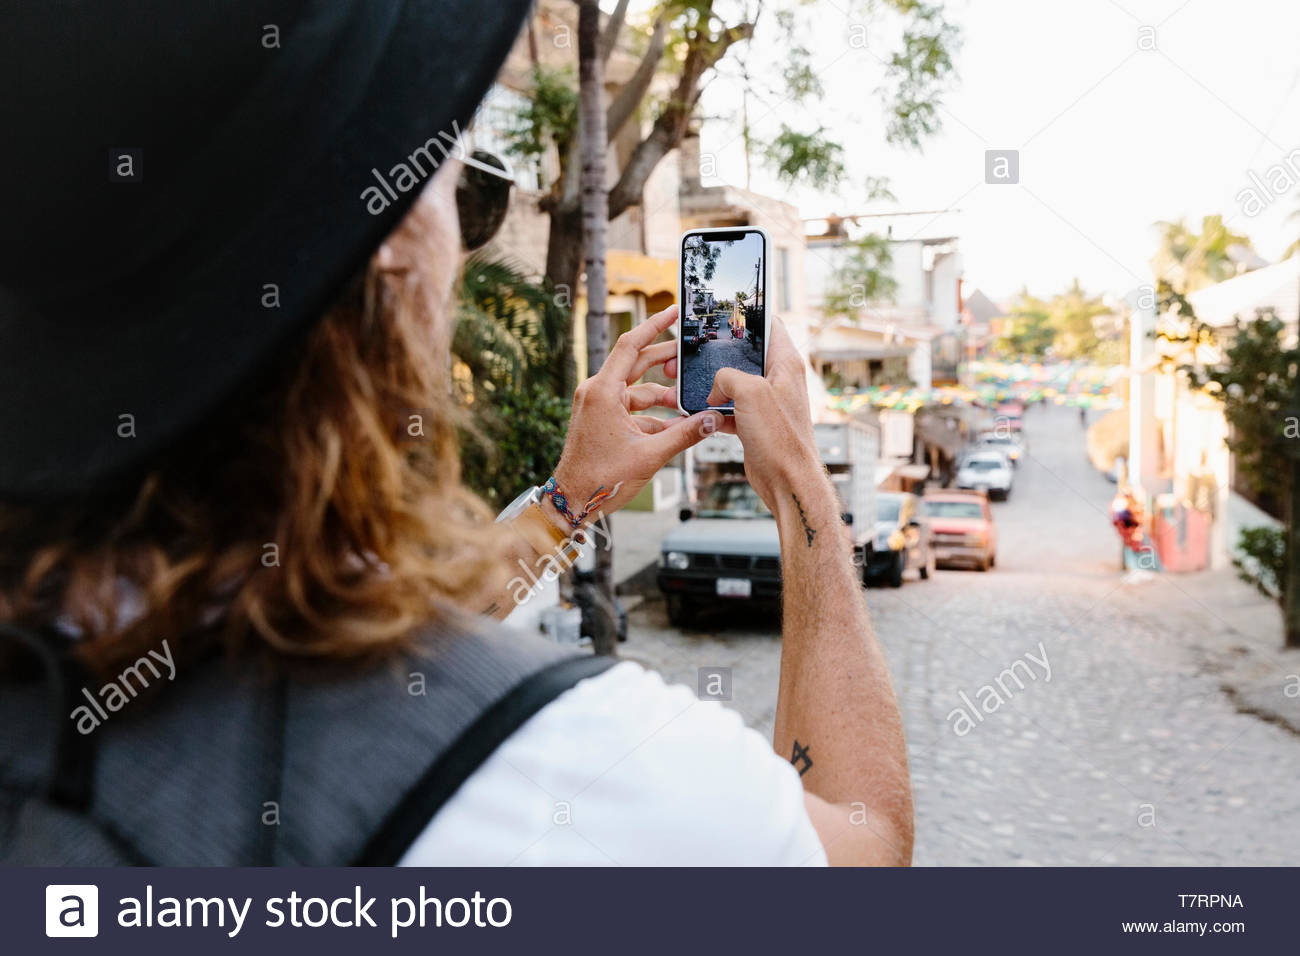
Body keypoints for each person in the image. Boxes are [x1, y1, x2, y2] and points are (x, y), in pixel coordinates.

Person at [0, 0, 911, 866]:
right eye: (466, 196)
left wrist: (566, 502)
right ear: (393, 248)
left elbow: (355, 621)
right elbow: (863, 862)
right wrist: (800, 487)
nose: (468, 251)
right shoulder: (548, 762)